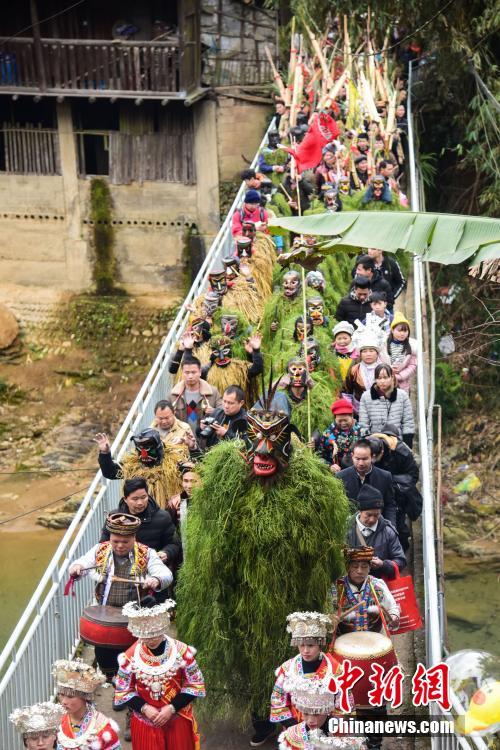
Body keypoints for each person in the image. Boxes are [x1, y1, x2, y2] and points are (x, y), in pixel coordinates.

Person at [69, 513, 172, 679]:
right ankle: (114, 683)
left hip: (135, 615)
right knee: (105, 656)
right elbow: (81, 562)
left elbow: (165, 574)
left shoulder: (146, 553)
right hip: (107, 616)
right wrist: (77, 567)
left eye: (125, 542)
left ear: (134, 538)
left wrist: (155, 579)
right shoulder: (100, 550)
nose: (119, 546)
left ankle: (131, 690)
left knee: (134, 657)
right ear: (110, 537)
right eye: (115, 541)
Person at [114, 600, 205, 750]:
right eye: (145, 634)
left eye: (154, 634)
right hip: (145, 722)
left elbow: (196, 684)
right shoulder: (130, 656)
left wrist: (172, 708)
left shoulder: (181, 651)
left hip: (177, 720)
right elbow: (123, 690)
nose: (150, 640)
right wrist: (144, 708)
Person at [99, 478, 181, 574]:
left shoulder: (162, 517)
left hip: (151, 572)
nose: (140, 503)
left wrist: (166, 553)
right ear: (125, 499)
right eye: (135, 499)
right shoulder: (114, 518)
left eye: (143, 497)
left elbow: (174, 544)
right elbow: (103, 545)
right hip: (119, 572)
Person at [270, 611, 338, 727]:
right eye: (301, 645)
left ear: (320, 645)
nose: (305, 651)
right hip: (295, 725)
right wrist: (291, 724)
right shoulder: (288, 669)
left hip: (326, 727)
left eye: (311, 645)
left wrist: (330, 724)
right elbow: (277, 699)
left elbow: (344, 701)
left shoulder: (335, 669)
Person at [95, 428, 188, 509]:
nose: (144, 454)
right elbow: (110, 472)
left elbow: (193, 473)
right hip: (139, 516)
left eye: (148, 449)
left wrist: (192, 448)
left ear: (159, 448)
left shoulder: (174, 463)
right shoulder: (132, 466)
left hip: (169, 516)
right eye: (140, 449)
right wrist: (105, 453)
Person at [368, 425, 422, 550]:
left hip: (397, 493)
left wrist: (390, 481)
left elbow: (413, 476)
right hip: (374, 493)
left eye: (375, 458)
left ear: (381, 452)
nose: (372, 461)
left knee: (397, 527)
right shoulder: (366, 447)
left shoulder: (402, 452)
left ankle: (399, 553)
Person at [52, 659, 120, 749]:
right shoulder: (56, 720)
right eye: (61, 694)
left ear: (84, 697)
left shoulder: (102, 729)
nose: (63, 701)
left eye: (70, 696)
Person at [346, 485, 406, 579]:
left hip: (378, 587)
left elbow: (401, 561)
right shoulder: (345, 529)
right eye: (368, 515)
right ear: (360, 511)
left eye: (376, 515)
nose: (372, 520)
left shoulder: (388, 531)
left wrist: (383, 565)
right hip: (349, 584)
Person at [276, 676, 348, 750]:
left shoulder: (343, 736)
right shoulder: (291, 736)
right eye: (306, 713)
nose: (310, 720)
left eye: (316, 714)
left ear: (328, 710)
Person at [336, 439, 396, 525]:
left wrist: (391, 526)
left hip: (378, 526)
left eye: (365, 459)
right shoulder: (341, 477)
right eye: (357, 459)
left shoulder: (385, 477)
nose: (361, 463)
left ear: (372, 457)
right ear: (352, 456)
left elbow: (390, 505)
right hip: (350, 528)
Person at [358, 363, 415, 447]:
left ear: (392, 377)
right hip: (375, 443)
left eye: (385, 377)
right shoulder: (366, 397)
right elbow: (363, 424)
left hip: (397, 443)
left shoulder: (402, 395)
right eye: (379, 378)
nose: (382, 381)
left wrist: (407, 444)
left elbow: (408, 422)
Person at [167, 356, 223, 435]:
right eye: (187, 372)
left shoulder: (213, 392)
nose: (190, 376)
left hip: (207, 441)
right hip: (182, 441)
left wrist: (214, 411)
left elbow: (224, 412)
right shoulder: (173, 395)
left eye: (193, 372)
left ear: (200, 372)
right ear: (182, 373)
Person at [344, 325, 387, 413]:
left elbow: (393, 390)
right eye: (364, 351)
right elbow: (346, 391)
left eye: (371, 351)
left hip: (382, 410)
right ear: (360, 353)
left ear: (377, 353)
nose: (368, 354)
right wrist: (349, 409)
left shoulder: (385, 370)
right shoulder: (354, 370)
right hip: (359, 410)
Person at [320, 399, 364, 472]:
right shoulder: (328, 434)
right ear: (335, 418)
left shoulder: (362, 432)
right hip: (335, 475)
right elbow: (319, 456)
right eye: (339, 421)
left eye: (346, 420)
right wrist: (329, 466)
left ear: (352, 416)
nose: (343, 423)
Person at [386, 312, 417, 393]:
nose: (402, 334)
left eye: (405, 331)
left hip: (403, 385)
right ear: (392, 330)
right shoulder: (383, 345)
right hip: (385, 383)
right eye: (399, 330)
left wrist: (400, 376)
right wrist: (388, 370)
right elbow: (379, 361)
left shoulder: (412, 346)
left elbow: (413, 366)